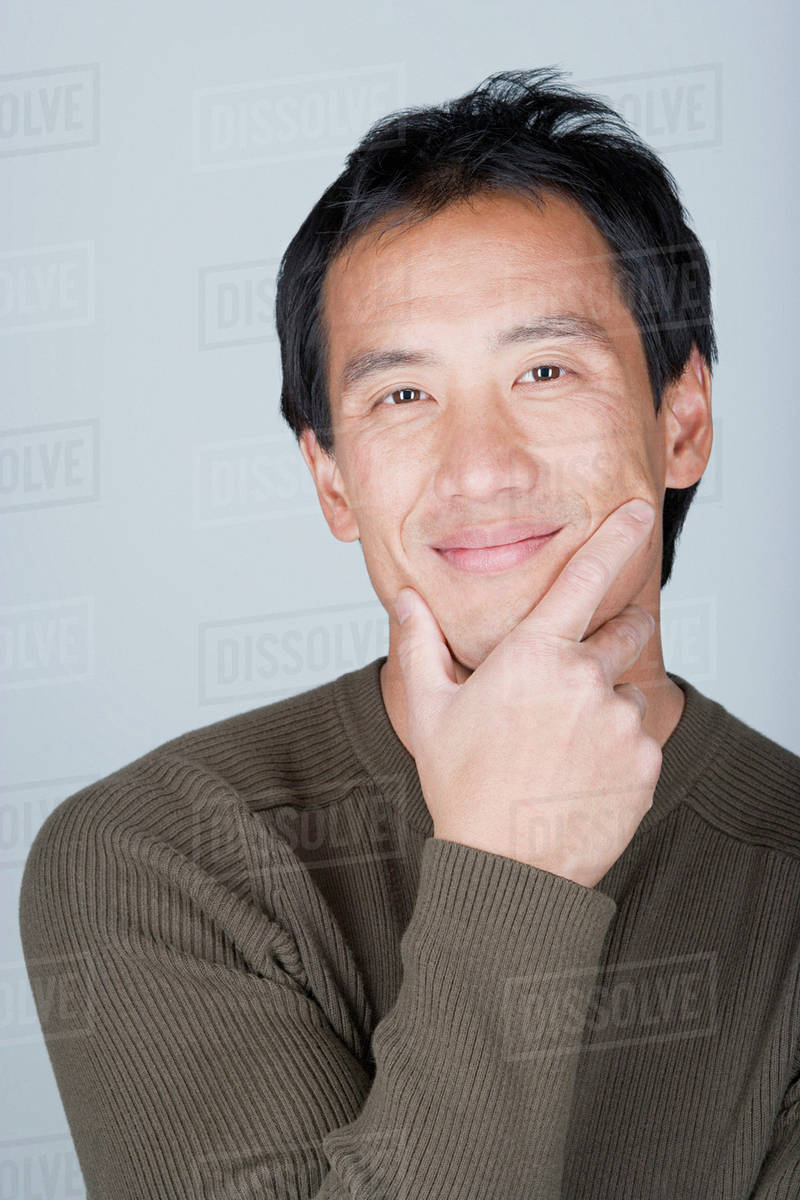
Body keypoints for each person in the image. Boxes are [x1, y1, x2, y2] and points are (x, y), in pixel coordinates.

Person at [19, 67, 800, 1198]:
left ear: (681, 423)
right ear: (331, 482)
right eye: (401, 397)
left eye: (544, 370)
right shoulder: (151, 860)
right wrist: (511, 864)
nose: (480, 467)